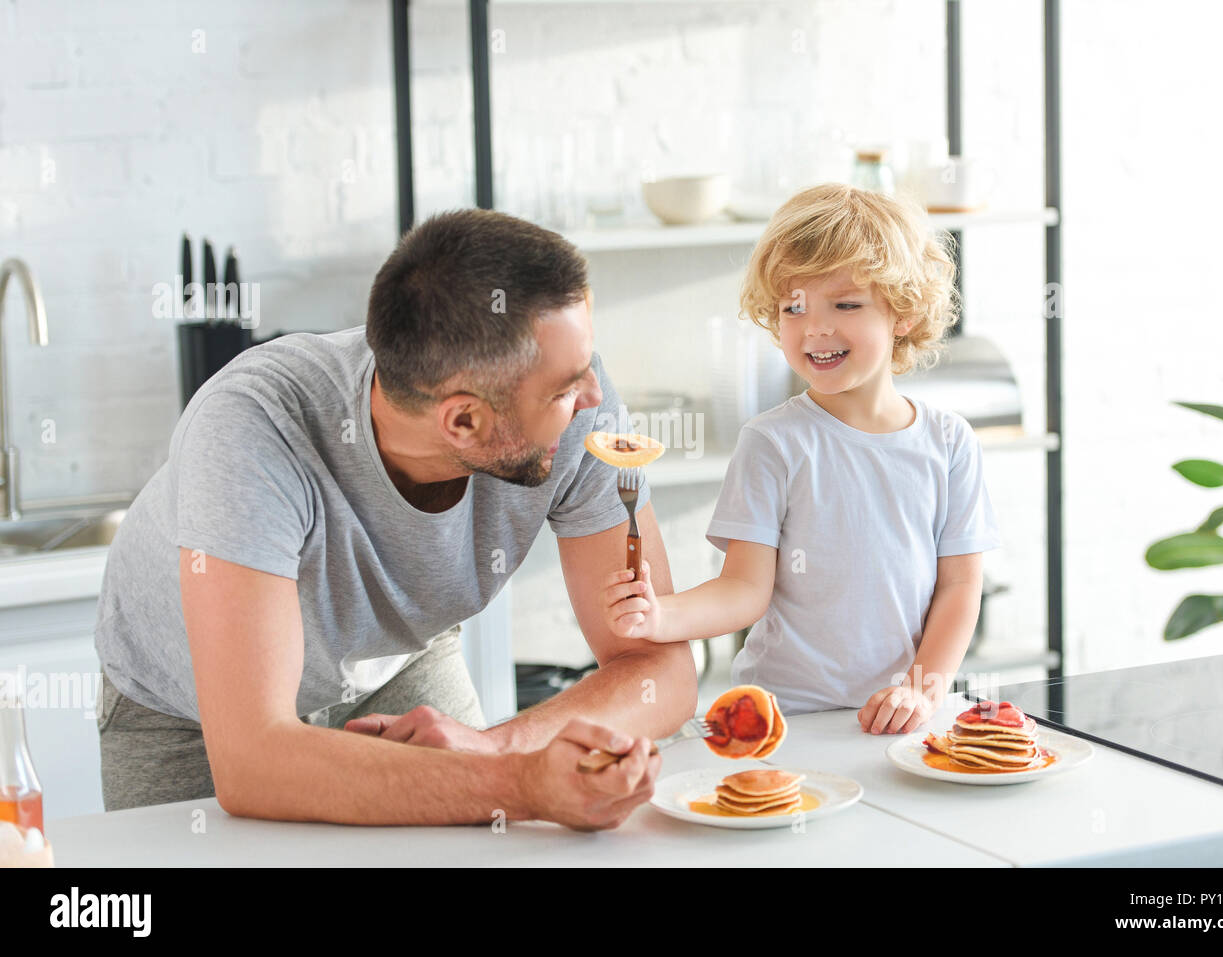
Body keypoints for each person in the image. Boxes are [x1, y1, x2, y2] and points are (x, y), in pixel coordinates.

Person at [94, 208, 697, 828]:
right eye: (567, 390)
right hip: (187, 709)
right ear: (463, 421)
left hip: (397, 662)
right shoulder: (252, 425)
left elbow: (660, 670)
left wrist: (493, 749)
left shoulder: (575, 402)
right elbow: (255, 761)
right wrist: (518, 782)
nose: (595, 397)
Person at [601, 183, 1001, 734]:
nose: (816, 327)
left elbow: (959, 587)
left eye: (846, 303)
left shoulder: (950, 442)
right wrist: (661, 615)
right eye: (795, 306)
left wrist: (922, 690)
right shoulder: (773, 443)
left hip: (903, 715)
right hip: (784, 720)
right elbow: (744, 589)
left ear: (903, 312)